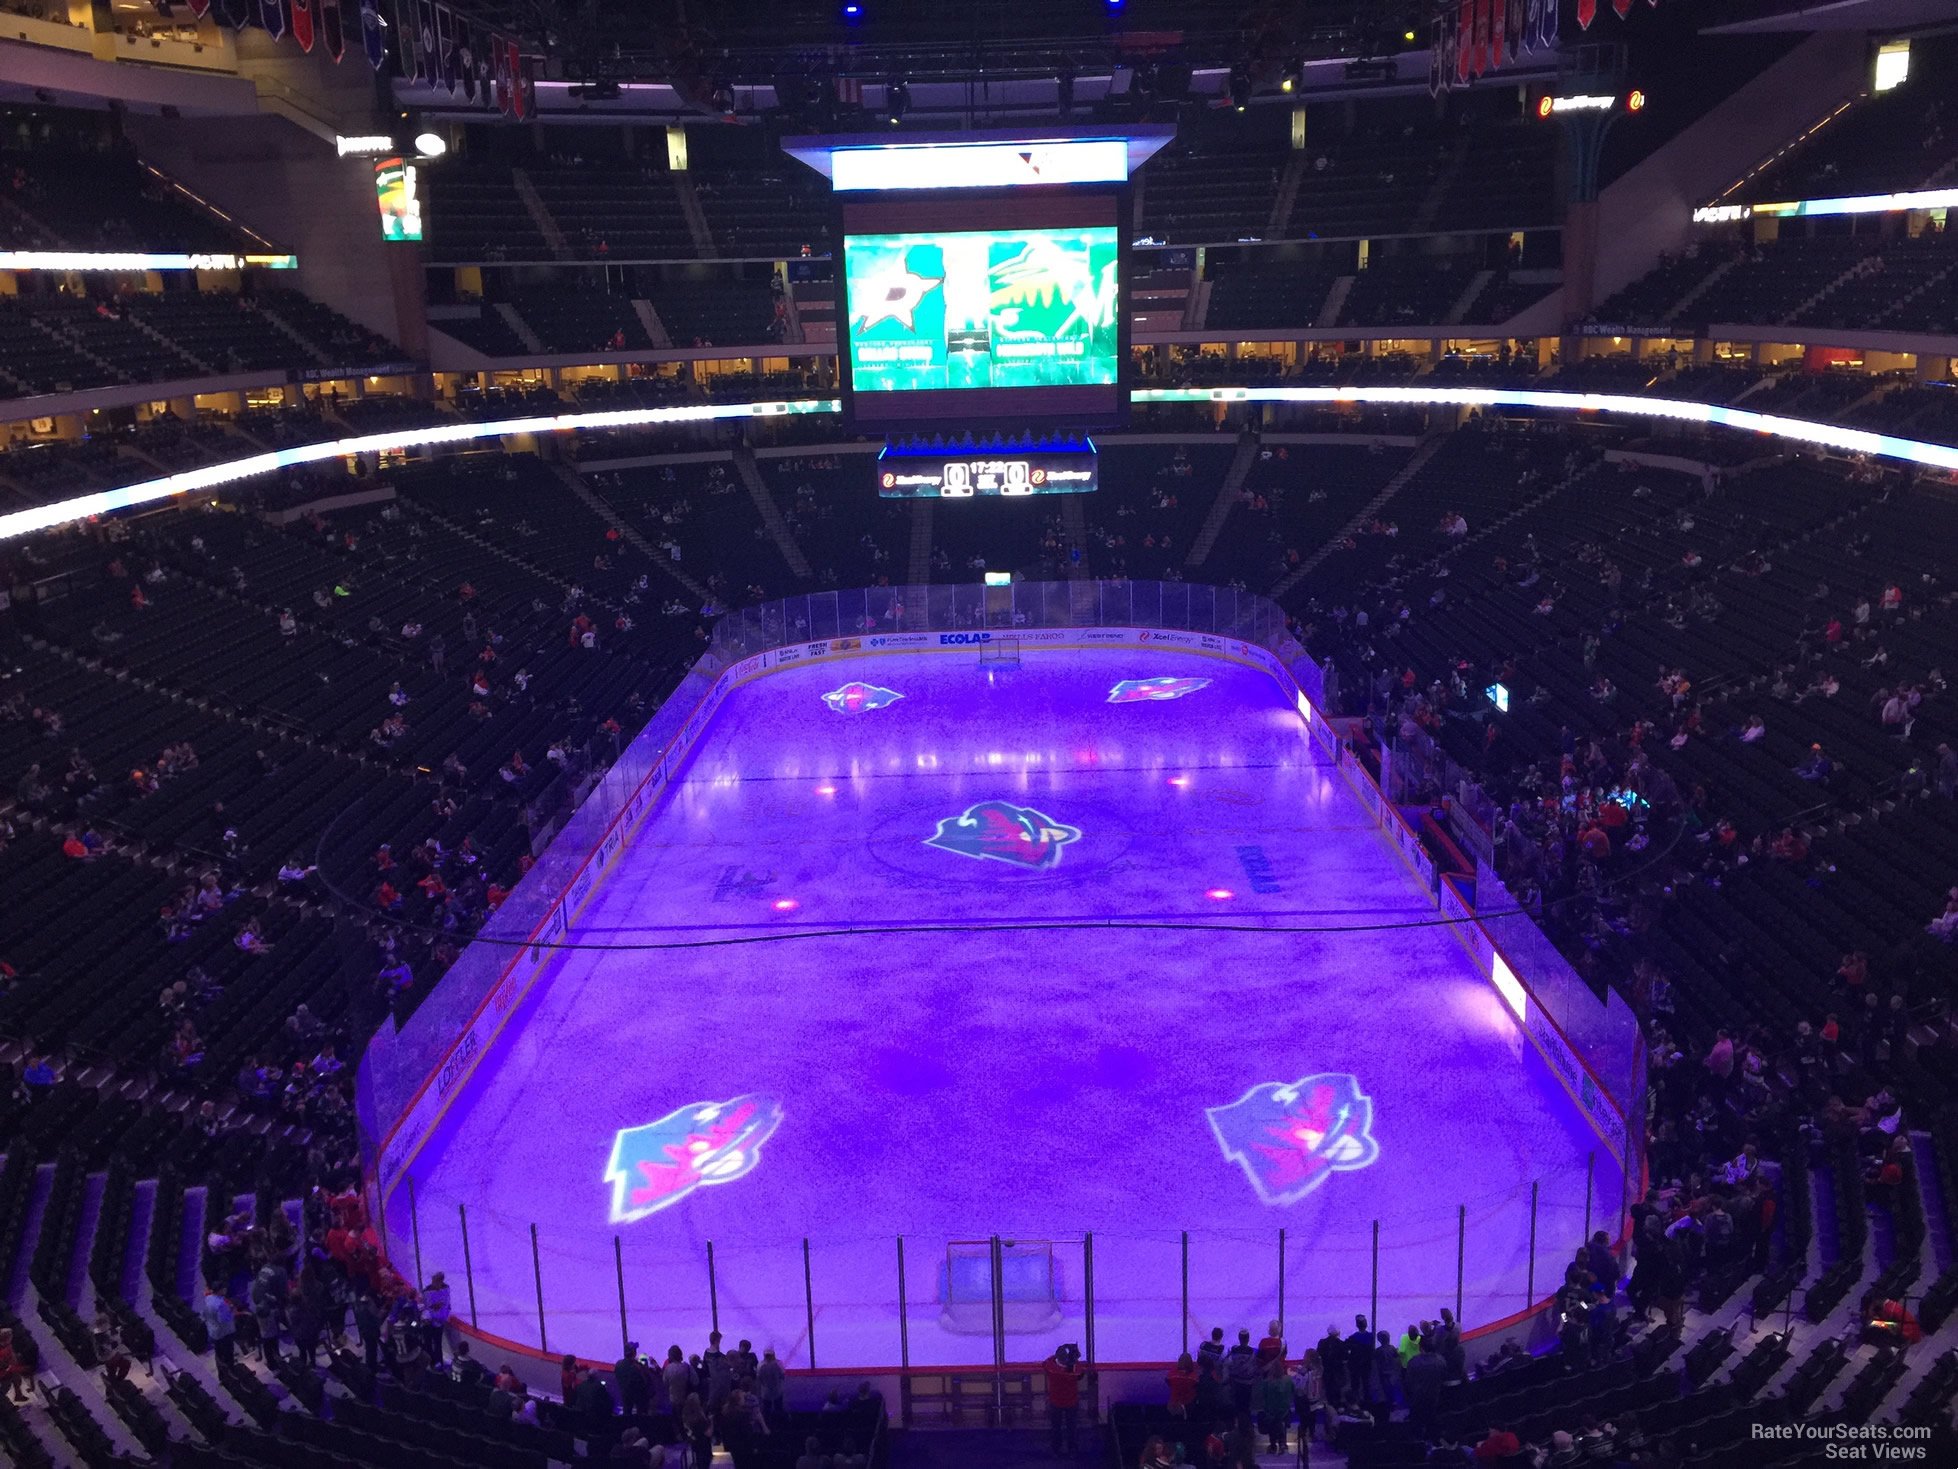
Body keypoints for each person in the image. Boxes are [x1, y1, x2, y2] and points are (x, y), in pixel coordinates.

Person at [1043, 1344, 1086, 1455]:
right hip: (1071, 1402)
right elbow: (1080, 1372)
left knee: (1056, 1427)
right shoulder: (1075, 1371)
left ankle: (1056, 1449)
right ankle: (1072, 1449)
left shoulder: (1051, 1368)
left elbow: (1047, 1362)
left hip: (1055, 1401)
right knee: (1071, 1427)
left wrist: (1063, 1351)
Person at [1402, 1336, 1447, 1440]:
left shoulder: (1413, 1362)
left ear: (1421, 1348)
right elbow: (1444, 1378)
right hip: (1435, 1399)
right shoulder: (1440, 1360)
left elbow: (1408, 1383)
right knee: (1432, 1423)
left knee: (1417, 1427)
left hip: (1418, 1400)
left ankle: (1419, 1444)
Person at [201, 1285, 237, 1367]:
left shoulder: (208, 1299)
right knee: (228, 1354)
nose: (225, 1290)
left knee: (219, 1354)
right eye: (224, 1289)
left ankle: (222, 1374)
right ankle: (230, 1370)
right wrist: (231, 1310)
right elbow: (223, 1320)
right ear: (219, 1290)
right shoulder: (220, 1304)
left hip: (213, 1331)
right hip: (223, 1333)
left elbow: (204, 1315)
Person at [617, 1341, 652, 1416]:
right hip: (638, 1397)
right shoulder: (637, 1367)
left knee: (627, 1414)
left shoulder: (619, 1365)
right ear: (633, 1352)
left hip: (625, 1395)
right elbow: (644, 1381)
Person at [1165, 1351, 1199, 1418]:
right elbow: (1196, 1386)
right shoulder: (1193, 1377)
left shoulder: (1171, 1374)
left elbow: (1168, 1382)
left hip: (1173, 1404)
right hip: (1188, 1404)